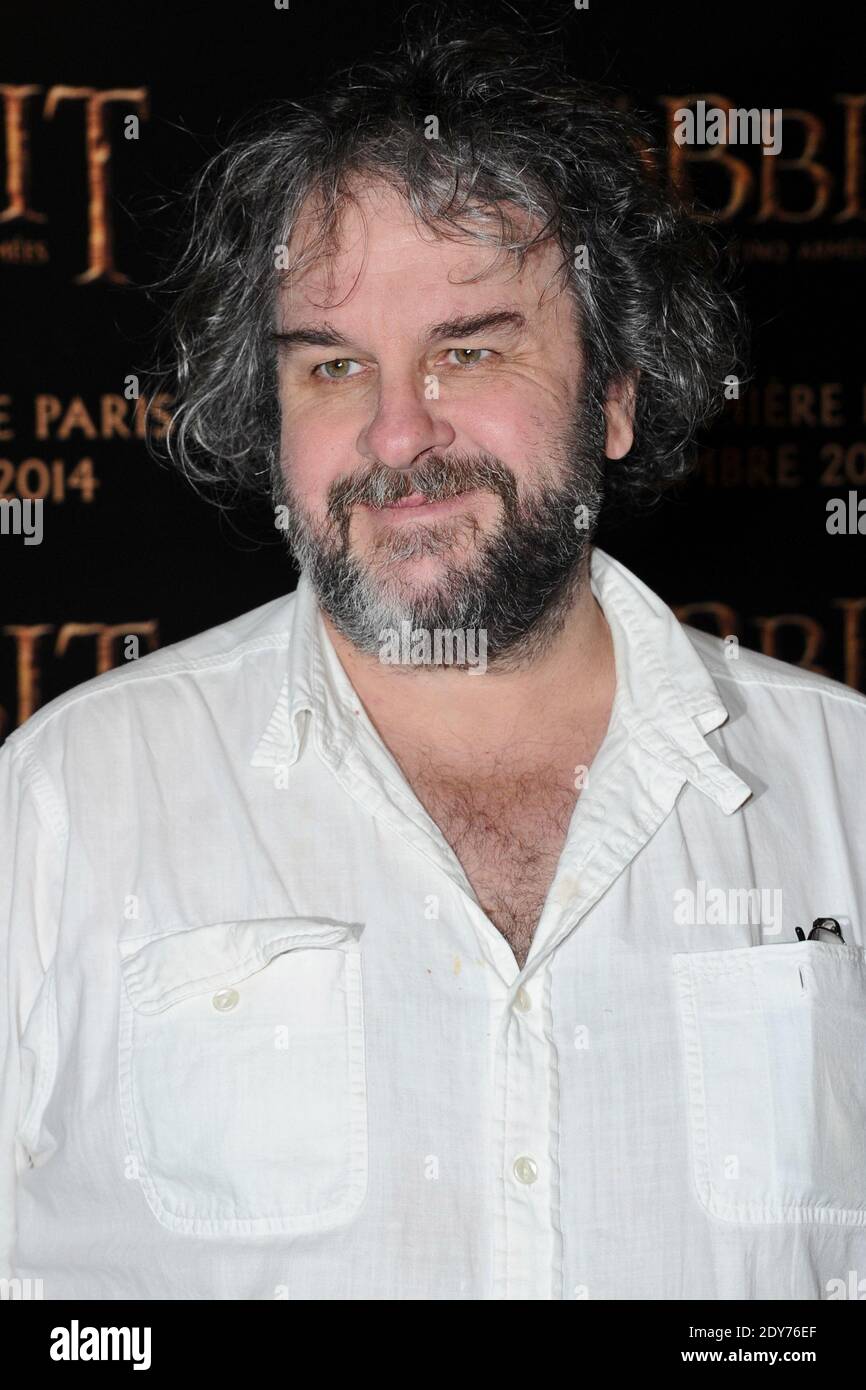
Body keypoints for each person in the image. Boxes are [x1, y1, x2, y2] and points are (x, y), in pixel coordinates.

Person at [2, 14, 865, 1302]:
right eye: (335, 365)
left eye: (471, 349)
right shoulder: (70, 795)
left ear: (617, 394)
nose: (398, 433)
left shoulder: (844, 787)